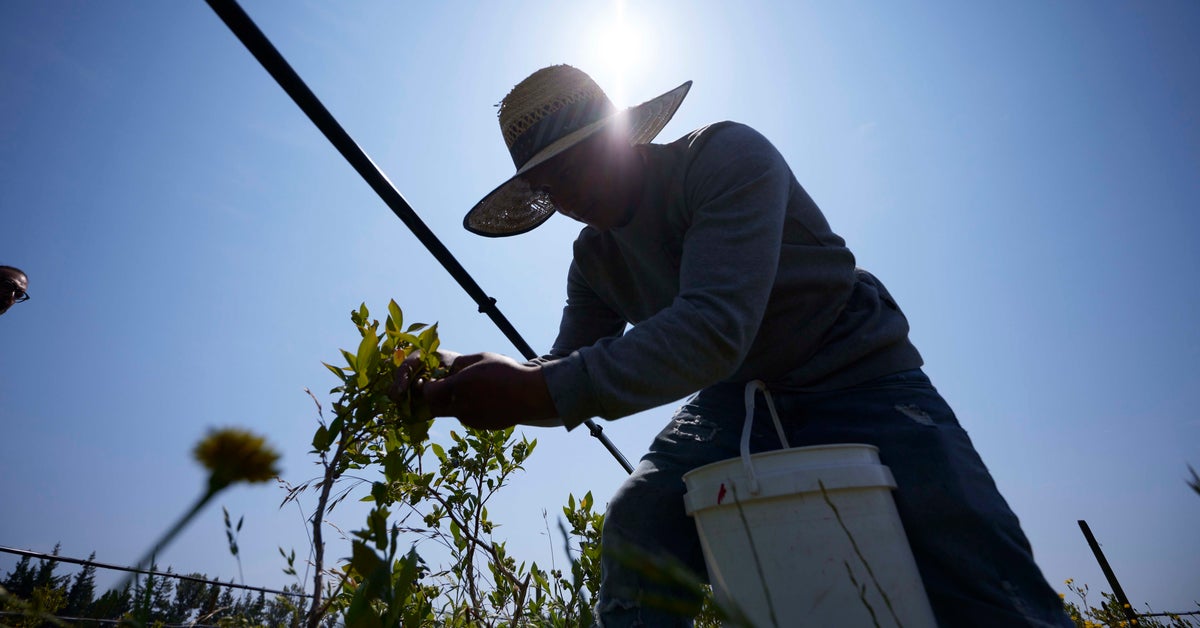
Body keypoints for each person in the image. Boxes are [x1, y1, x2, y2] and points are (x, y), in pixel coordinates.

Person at [398, 66, 1072, 627]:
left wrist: (529, 391)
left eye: (575, 165)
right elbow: (560, 366)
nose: (569, 197)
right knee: (642, 522)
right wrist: (458, 371)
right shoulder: (594, 259)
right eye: (549, 186)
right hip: (735, 402)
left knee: (977, 570)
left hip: (858, 371)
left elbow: (713, 328)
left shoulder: (723, 157)